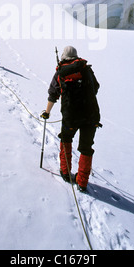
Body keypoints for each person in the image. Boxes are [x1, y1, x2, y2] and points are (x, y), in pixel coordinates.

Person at [42, 46, 101, 192]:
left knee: (66, 140)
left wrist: (47, 112)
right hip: (91, 114)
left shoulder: (60, 72)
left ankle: (66, 172)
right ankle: (82, 182)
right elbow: (96, 87)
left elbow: (53, 94)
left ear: (63, 57)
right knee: (86, 148)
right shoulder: (86, 69)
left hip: (71, 116)